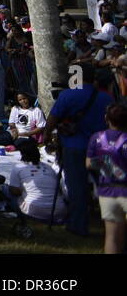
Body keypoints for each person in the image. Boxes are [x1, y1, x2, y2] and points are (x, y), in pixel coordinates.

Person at [49, 69, 114, 237]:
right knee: (107, 185)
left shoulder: (68, 95)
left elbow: (53, 118)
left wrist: (47, 135)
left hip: (74, 146)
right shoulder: (106, 97)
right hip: (102, 146)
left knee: (77, 187)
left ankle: (78, 225)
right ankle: (112, 223)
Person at [86, 102, 127, 255]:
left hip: (107, 191)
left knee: (111, 238)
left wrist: (109, 168)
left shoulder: (97, 138)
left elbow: (89, 164)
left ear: (106, 119)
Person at [6, 138, 65, 222]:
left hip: (34, 210)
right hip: (59, 210)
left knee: (5, 190)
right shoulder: (49, 167)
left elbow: (14, 191)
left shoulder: (18, 167)